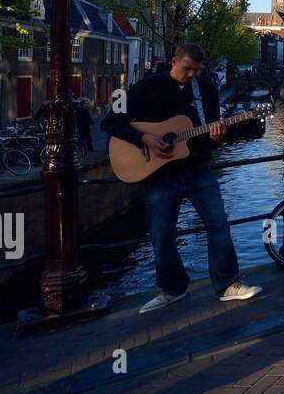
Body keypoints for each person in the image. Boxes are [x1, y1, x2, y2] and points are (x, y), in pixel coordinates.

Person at [100, 43, 262, 312]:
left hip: (197, 169)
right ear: (174, 61)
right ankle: (172, 289)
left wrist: (217, 138)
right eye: (187, 69)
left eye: (196, 71)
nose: (191, 75)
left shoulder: (206, 92)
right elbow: (110, 122)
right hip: (160, 175)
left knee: (218, 224)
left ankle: (228, 285)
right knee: (162, 234)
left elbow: (207, 142)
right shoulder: (145, 87)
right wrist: (143, 138)